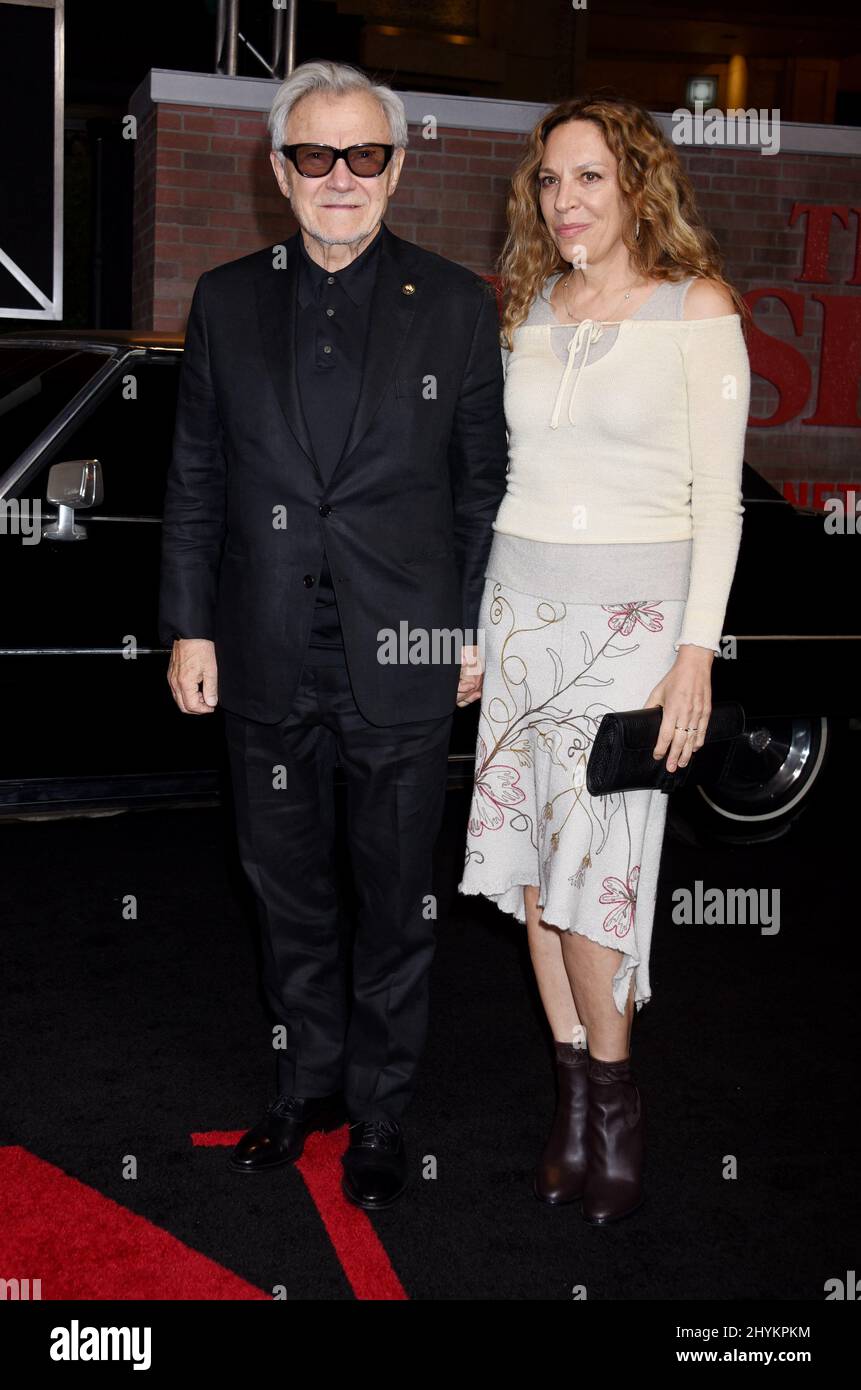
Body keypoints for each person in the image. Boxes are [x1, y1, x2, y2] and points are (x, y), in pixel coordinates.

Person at [158, 60, 507, 1210]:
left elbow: (480, 490)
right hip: (262, 649)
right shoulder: (224, 297)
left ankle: (381, 1110)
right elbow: (198, 475)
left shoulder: (457, 304)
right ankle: (305, 1083)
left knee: (397, 893)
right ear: (280, 171)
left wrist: (471, 634)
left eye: (366, 156)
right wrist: (188, 627)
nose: (342, 178)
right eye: (317, 156)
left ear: (397, 167)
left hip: (402, 659)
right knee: (285, 889)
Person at [458, 92, 751, 1224]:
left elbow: (717, 507)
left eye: (590, 176)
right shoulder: (529, 306)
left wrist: (694, 655)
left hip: (632, 637)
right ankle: (572, 1100)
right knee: (537, 874)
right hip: (525, 621)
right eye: (550, 180)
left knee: (601, 884)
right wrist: (482, 635)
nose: (566, 199)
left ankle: (619, 1107)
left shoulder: (696, 308)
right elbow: (511, 488)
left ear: (637, 184)